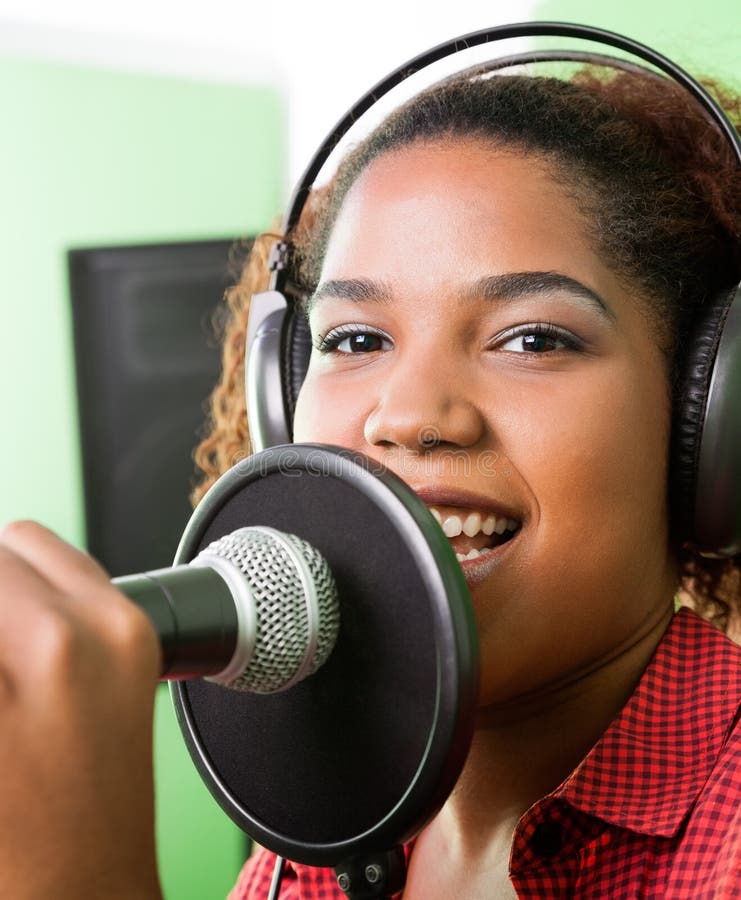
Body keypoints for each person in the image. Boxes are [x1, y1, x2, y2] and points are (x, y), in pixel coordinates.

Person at [1, 49, 740, 900]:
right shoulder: (304, 850)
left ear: (708, 420)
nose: (411, 414)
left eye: (531, 338)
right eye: (355, 340)